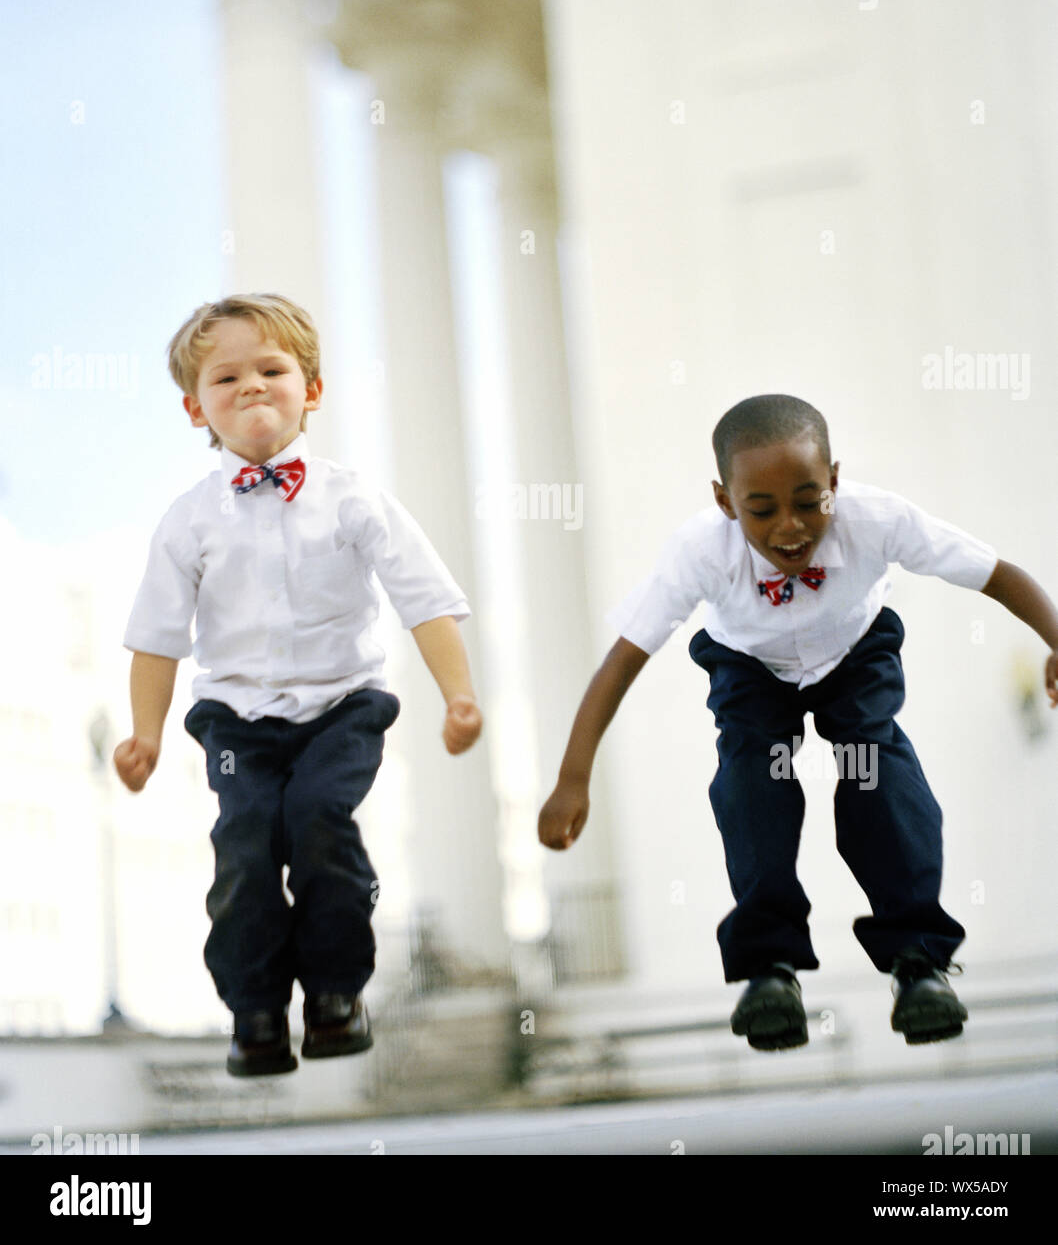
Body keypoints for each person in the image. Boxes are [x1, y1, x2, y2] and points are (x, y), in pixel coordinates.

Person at [538, 394, 1058, 1050]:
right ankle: (768, 972)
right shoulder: (700, 551)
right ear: (726, 501)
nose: (791, 528)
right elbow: (622, 660)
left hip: (854, 652)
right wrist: (572, 776)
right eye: (762, 510)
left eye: (810, 502)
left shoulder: (877, 519)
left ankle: (918, 963)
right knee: (754, 781)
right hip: (749, 667)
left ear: (835, 482)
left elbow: (995, 573)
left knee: (874, 772)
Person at [113, 294, 482, 1076]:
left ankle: (335, 996)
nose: (251, 386)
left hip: (341, 707)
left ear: (311, 389)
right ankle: (254, 1010)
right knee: (246, 847)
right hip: (237, 720)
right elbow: (156, 639)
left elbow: (424, 598)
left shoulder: (354, 498)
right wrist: (144, 734)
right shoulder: (189, 520)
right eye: (226, 377)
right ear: (194, 408)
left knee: (319, 823)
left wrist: (458, 694)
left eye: (272, 369)